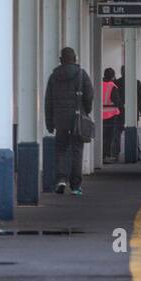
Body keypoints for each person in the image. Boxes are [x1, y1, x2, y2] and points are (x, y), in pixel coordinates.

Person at [43, 47, 94, 195]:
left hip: (60, 120)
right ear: (75, 59)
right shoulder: (81, 75)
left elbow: (48, 101)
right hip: (77, 118)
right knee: (77, 151)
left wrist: (49, 122)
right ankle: (76, 185)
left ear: (60, 60)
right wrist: (86, 110)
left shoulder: (53, 77)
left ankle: (61, 180)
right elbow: (89, 95)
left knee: (61, 150)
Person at [101, 67, 121, 162]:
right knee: (110, 136)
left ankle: (100, 154)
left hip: (100, 114)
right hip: (111, 114)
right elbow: (117, 101)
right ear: (113, 76)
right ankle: (107, 155)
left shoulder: (99, 84)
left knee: (102, 136)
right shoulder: (112, 86)